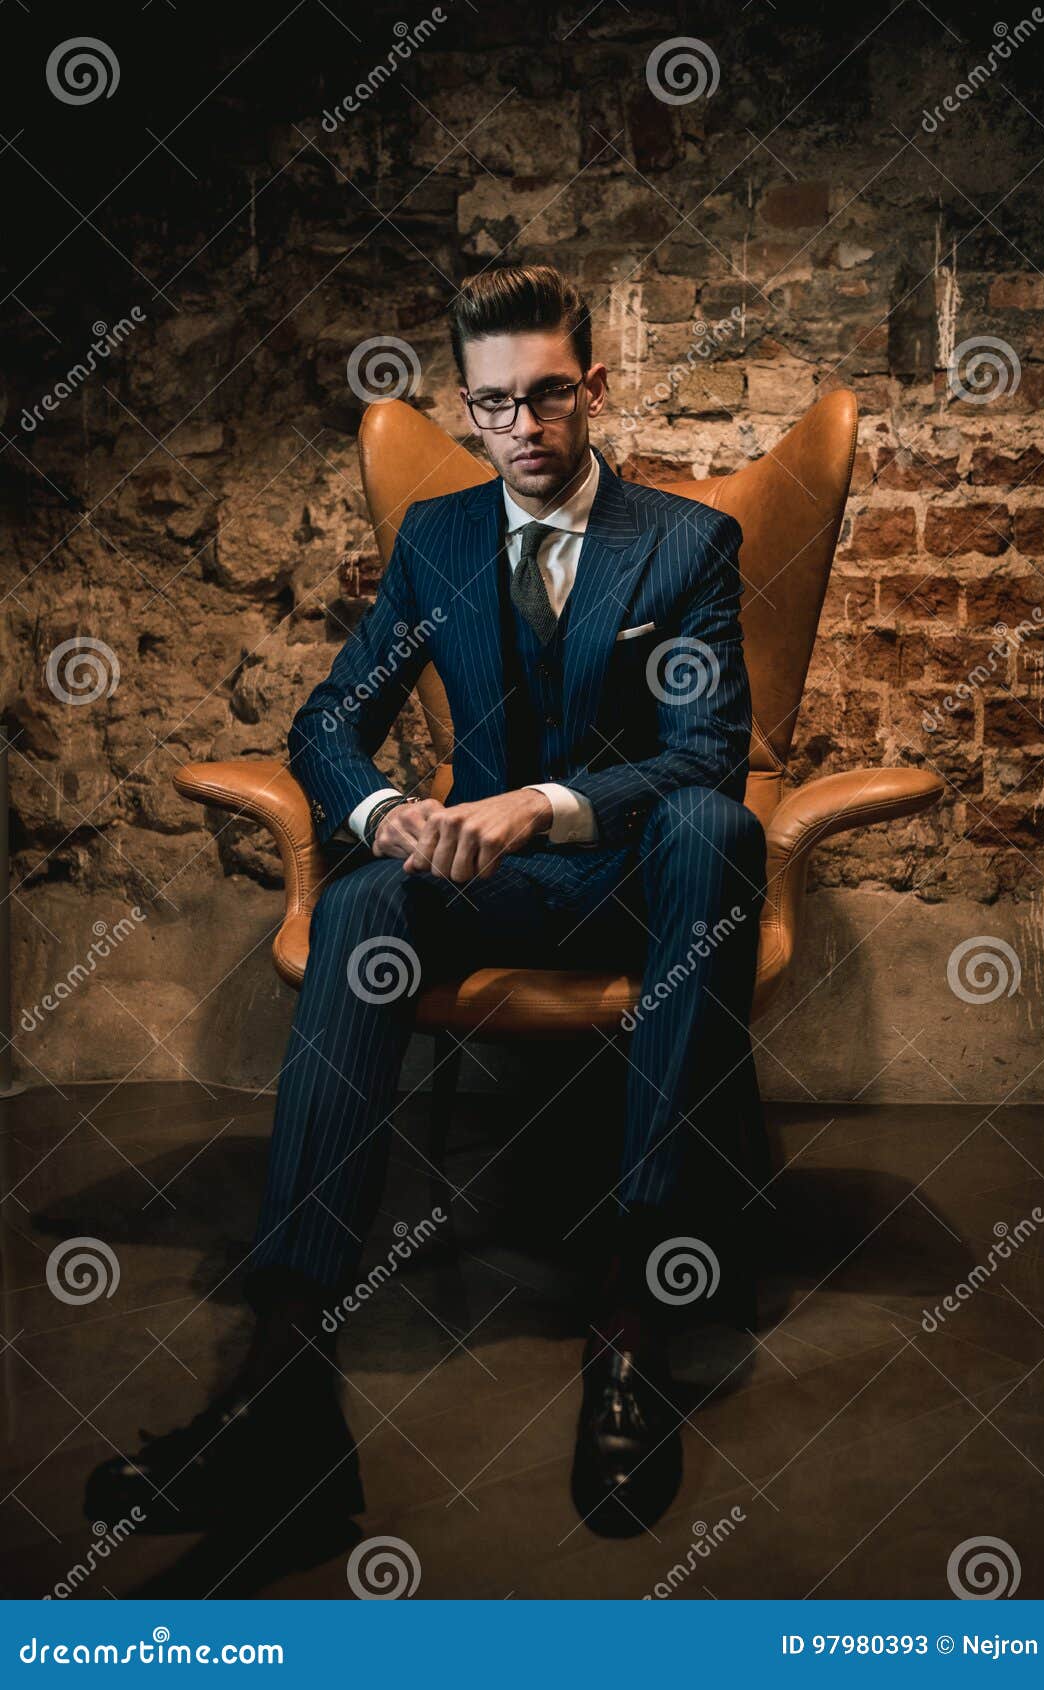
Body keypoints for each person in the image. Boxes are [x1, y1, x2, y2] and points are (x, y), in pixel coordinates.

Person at [87, 263, 769, 1541]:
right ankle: (286, 1398)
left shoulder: (683, 545)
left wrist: (542, 803)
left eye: (548, 398)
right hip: (491, 885)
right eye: (494, 404)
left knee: (711, 822)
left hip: (637, 881)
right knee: (360, 901)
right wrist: (382, 813)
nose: (522, 428)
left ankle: (631, 1319)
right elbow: (330, 720)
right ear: (467, 404)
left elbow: (704, 749)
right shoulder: (440, 542)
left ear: (594, 389)